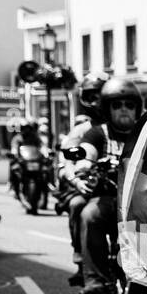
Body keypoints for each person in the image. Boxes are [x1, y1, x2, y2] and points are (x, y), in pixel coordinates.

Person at [65, 77, 143, 294]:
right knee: (89, 214)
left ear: (137, 108)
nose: (123, 110)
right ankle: (96, 283)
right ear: (108, 108)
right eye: (117, 105)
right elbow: (88, 150)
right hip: (110, 198)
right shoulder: (98, 133)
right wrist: (84, 164)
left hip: (142, 200)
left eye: (129, 105)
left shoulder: (145, 133)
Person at [58, 73, 109, 282]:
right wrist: (77, 179)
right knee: (78, 205)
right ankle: (81, 261)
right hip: (89, 187)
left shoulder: (125, 127)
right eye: (92, 96)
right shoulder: (80, 131)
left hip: (121, 187)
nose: (97, 102)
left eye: (101, 96)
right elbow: (67, 163)